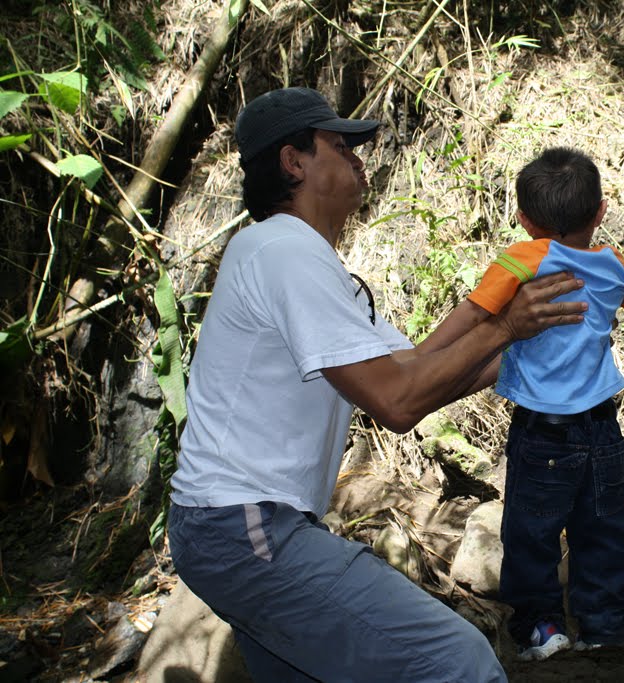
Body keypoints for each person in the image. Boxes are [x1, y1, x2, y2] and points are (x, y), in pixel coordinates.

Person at [166, 87, 589, 683]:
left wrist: (529, 338)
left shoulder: (305, 264)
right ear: (294, 162)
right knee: (459, 661)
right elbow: (396, 401)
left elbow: (418, 366)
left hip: (231, 530)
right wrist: (507, 324)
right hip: (245, 527)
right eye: (341, 146)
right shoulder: (283, 250)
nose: (360, 159)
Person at [423, 147, 624, 661]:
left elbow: (475, 314)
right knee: (604, 526)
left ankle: (542, 627)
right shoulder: (612, 264)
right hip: (603, 427)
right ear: (601, 212)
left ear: (524, 220)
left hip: (544, 430)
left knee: (530, 530)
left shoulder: (523, 259)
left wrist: (421, 356)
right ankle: (603, 624)